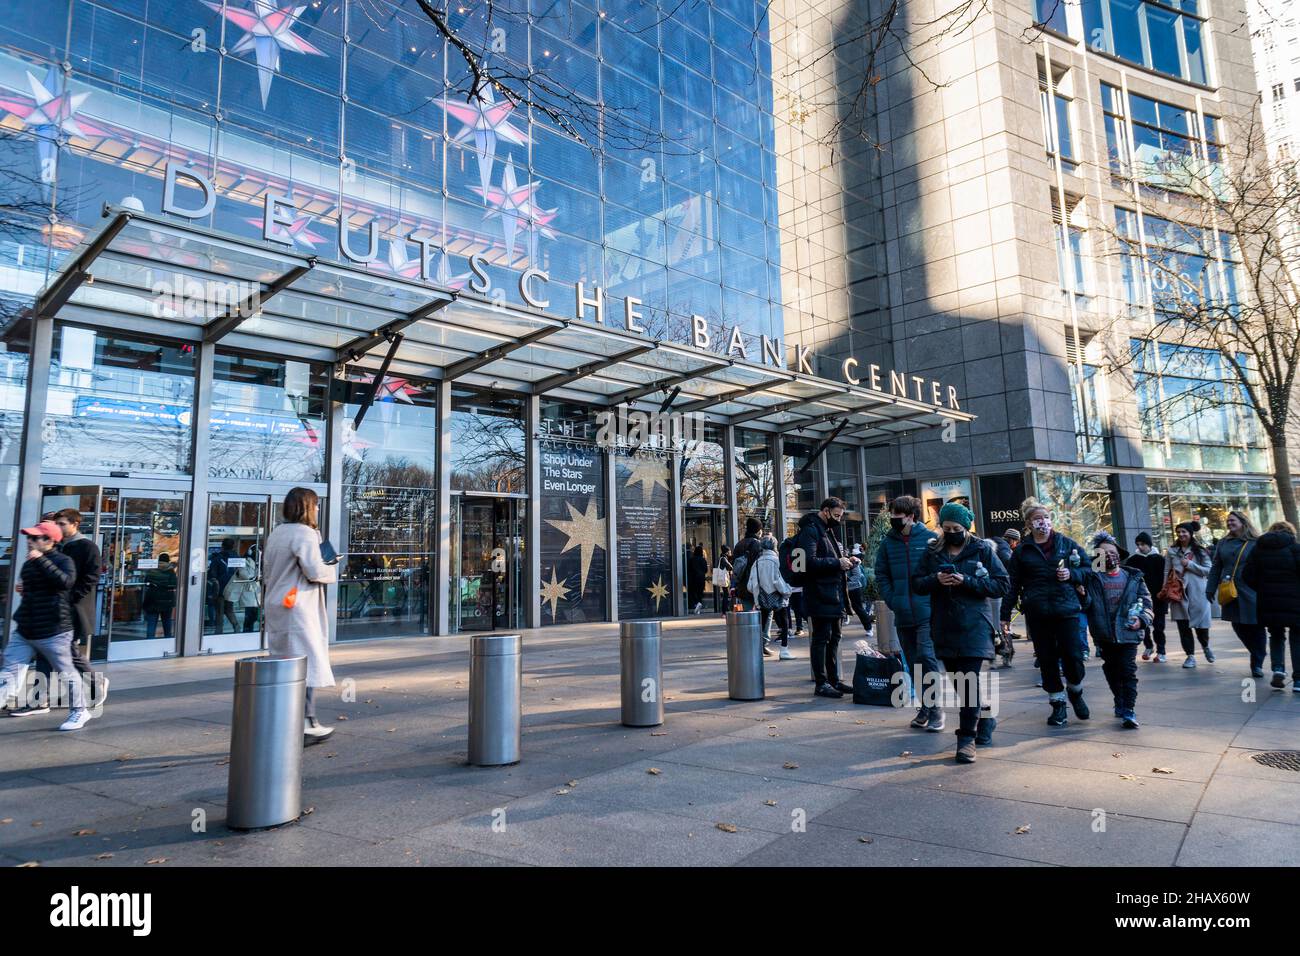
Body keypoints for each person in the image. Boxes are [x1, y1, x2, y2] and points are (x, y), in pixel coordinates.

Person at [912, 503, 1008, 763]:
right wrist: (936, 580)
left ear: (967, 528)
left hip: (975, 624)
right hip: (944, 623)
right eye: (947, 528)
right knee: (960, 683)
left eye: (956, 529)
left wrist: (967, 581)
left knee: (967, 681)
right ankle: (985, 716)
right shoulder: (933, 550)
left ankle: (966, 739)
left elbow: (1001, 584)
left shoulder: (982, 549)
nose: (952, 532)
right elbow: (917, 583)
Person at [1003, 499, 1091, 727]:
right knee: (1047, 660)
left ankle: (1075, 690)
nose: (1043, 522)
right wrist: (1004, 616)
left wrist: (1072, 575)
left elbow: (1088, 568)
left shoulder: (1066, 543)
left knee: (1073, 656)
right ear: (1029, 524)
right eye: (1037, 519)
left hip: (1066, 610)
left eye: (1045, 518)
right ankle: (1058, 704)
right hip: (1038, 613)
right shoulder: (1022, 551)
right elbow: (1013, 584)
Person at [0, 520, 92, 730]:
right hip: (26, 628)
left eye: (34, 538)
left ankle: (80, 711)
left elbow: (65, 583)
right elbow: (39, 590)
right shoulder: (29, 563)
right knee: (9, 670)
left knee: (67, 673)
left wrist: (42, 560)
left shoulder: (63, 560)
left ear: (49, 540)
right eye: (28, 537)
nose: (29, 541)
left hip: (54, 630)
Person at [263, 488, 338, 744]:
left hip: (277, 603)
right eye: (315, 505)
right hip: (298, 607)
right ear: (307, 507)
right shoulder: (305, 534)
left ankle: (287, 719)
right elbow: (315, 571)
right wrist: (332, 566)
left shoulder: (277, 533)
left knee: (284, 663)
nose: (317, 509)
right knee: (304, 663)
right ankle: (305, 720)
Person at [875, 495, 944, 730]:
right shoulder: (888, 543)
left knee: (927, 657)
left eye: (897, 515)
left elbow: (940, 572)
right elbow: (881, 573)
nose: (893, 519)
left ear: (911, 516)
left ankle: (935, 710)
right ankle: (925, 707)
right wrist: (893, 599)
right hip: (903, 612)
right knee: (914, 662)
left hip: (927, 612)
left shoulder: (931, 540)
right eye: (892, 514)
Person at [1081, 532, 1153, 729]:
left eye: (1112, 552)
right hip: (1104, 635)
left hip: (1128, 633)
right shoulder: (1093, 579)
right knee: (1111, 669)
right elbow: (1086, 605)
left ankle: (1129, 710)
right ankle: (1119, 699)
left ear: (1119, 554)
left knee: (1128, 671)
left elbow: (1147, 603)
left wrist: (1142, 619)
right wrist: (1081, 593)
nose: (1109, 556)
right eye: (1103, 553)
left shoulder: (1134, 577)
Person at [795, 497, 855, 698]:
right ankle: (821, 682)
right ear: (826, 511)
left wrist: (847, 561)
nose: (839, 519)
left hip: (833, 594)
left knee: (834, 638)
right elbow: (808, 562)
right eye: (836, 515)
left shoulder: (826, 530)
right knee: (821, 639)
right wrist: (837, 563)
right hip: (819, 594)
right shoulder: (811, 531)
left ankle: (833, 679)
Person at [1240, 520, 1300, 691]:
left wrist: (1262, 588)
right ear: (1291, 533)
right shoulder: (1295, 549)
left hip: (1268, 601)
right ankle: (1298, 680)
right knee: (1297, 638)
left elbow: (1247, 575)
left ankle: (1278, 668)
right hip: (1295, 600)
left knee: (1276, 635)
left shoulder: (1258, 550)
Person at [1207, 511, 1264, 677]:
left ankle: (1257, 661)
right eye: (1228, 521)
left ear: (1242, 521)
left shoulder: (1256, 542)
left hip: (1251, 589)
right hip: (1228, 589)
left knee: (1255, 625)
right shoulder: (1223, 542)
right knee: (1237, 625)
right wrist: (1210, 588)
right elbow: (1216, 566)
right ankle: (1256, 652)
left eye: (1232, 520)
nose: (1229, 523)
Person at [1164, 521, 1214, 669]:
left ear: (1191, 533)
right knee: (1183, 626)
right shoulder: (1172, 551)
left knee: (1201, 626)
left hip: (1197, 592)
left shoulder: (1200, 550)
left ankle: (1205, 646)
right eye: (1178, 532)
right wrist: (1165, 588)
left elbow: (1208, 570)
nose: (1181, 534)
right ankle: (1190, 656)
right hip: (1177, 592)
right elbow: (1166, 571)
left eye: (1184, 532)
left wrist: (1190, 565)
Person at [1124, 532, 1167, 662]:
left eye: (1143, 544)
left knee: (1159, 627)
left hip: (1159, 598)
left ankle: (1161, 651)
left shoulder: (1160, 559)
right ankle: (1148, 646)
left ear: (1149, 544)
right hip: (1141, 600)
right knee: (1143, 625)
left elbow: (1166, 578)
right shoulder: (1133, 560)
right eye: (1138, 544)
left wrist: (1164, 592)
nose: (1140, 547)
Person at [749, 535, 794, 659]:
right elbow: (778, 580)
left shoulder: (757, 562)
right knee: (784, 623)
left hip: (762, 598)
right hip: (779, 596)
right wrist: (786, 591)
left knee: (762, 624)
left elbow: (750, 584)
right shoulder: (777, 560)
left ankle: (758, 650)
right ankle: (784, 650)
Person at [208, 538, 241, 634]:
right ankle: (237, 627)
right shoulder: (237, 558)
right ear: (233, 546)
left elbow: (212, 574)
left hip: (220, 589)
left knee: (219, 611)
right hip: (232, 588)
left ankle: (219, 632)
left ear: (222, 546)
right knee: (229, 609)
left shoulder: (217, 558)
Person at [142, 553, 178, 641]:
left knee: (151, 622)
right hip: (166, 599)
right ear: (168, 560)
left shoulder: (152, 569)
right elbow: (174, 584)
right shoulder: (170, 570)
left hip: (152, 598)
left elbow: (146, 581)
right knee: (166, 621)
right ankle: (167, 640)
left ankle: (149, 641)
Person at [731, 518, 764, 612]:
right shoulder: (758, 545)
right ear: (758, 530)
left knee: (747, 613)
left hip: (742, 586)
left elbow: (735, 565)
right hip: (756, 584)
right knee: (763, 615)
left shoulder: (739, 544)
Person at [227, 545, 261, 633]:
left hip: (255, 591)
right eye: (256, 552)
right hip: (248, 591)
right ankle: (247, 631)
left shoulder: (259, 563)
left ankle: (250, 631)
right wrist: (255, 577)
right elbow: (243, 574)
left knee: (253, 614)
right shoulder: (244, 562)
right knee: (249, 614)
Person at [845, 543, 875, 634]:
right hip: (846, 588)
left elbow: (857, 576)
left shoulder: (853, 561)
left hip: (854, 588)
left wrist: (846, 582)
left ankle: (868, 627)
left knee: (858, 608)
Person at [687, 544, 709, 614]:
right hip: (701, 578)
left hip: (693, 578)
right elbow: (706, 570)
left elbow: (689, 569)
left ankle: (696, 604)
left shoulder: (692, 559)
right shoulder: (703, 560)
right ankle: (698, 605)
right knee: (700, 593)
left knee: (693, 592)